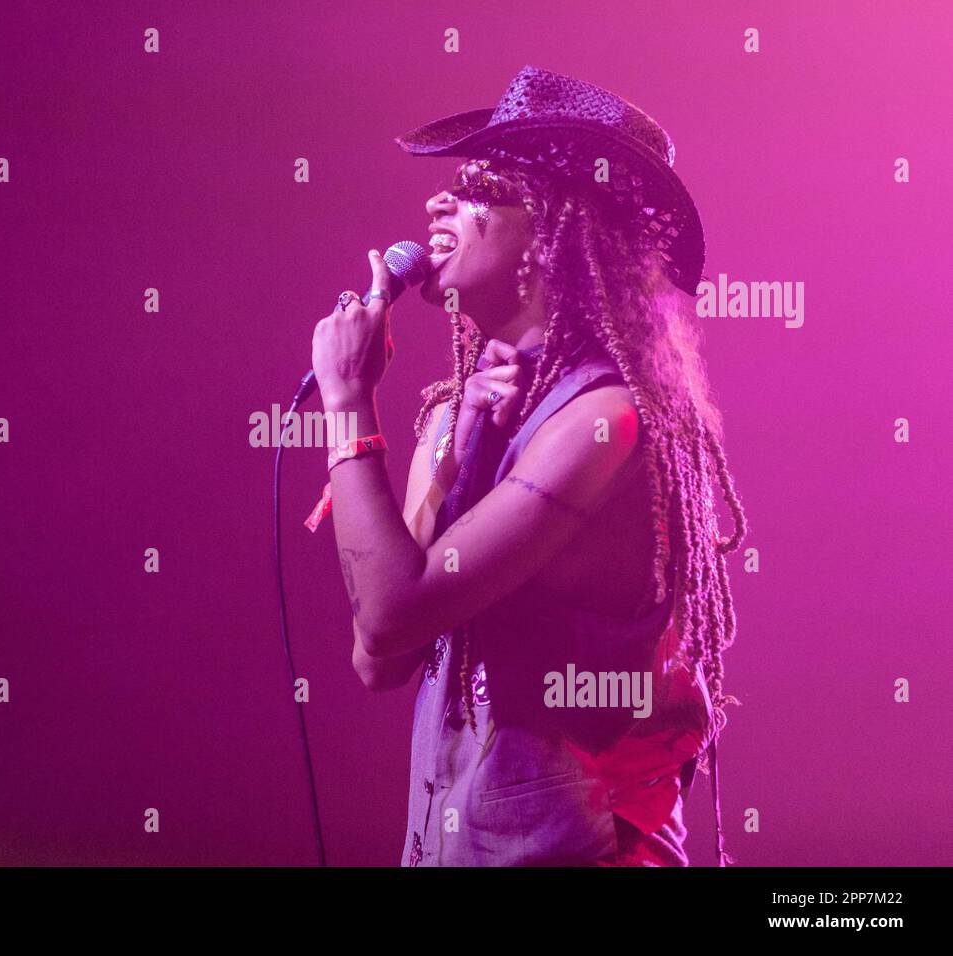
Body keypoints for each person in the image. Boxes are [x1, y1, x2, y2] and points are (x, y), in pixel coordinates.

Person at [309, 66, 747, 866]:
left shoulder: (603, 423)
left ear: (554, 229)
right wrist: (461, 443)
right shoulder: (455, 414)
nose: (438, 201)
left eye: (479, 183)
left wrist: (347, 404)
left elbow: (391, 611)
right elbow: (379, 658)